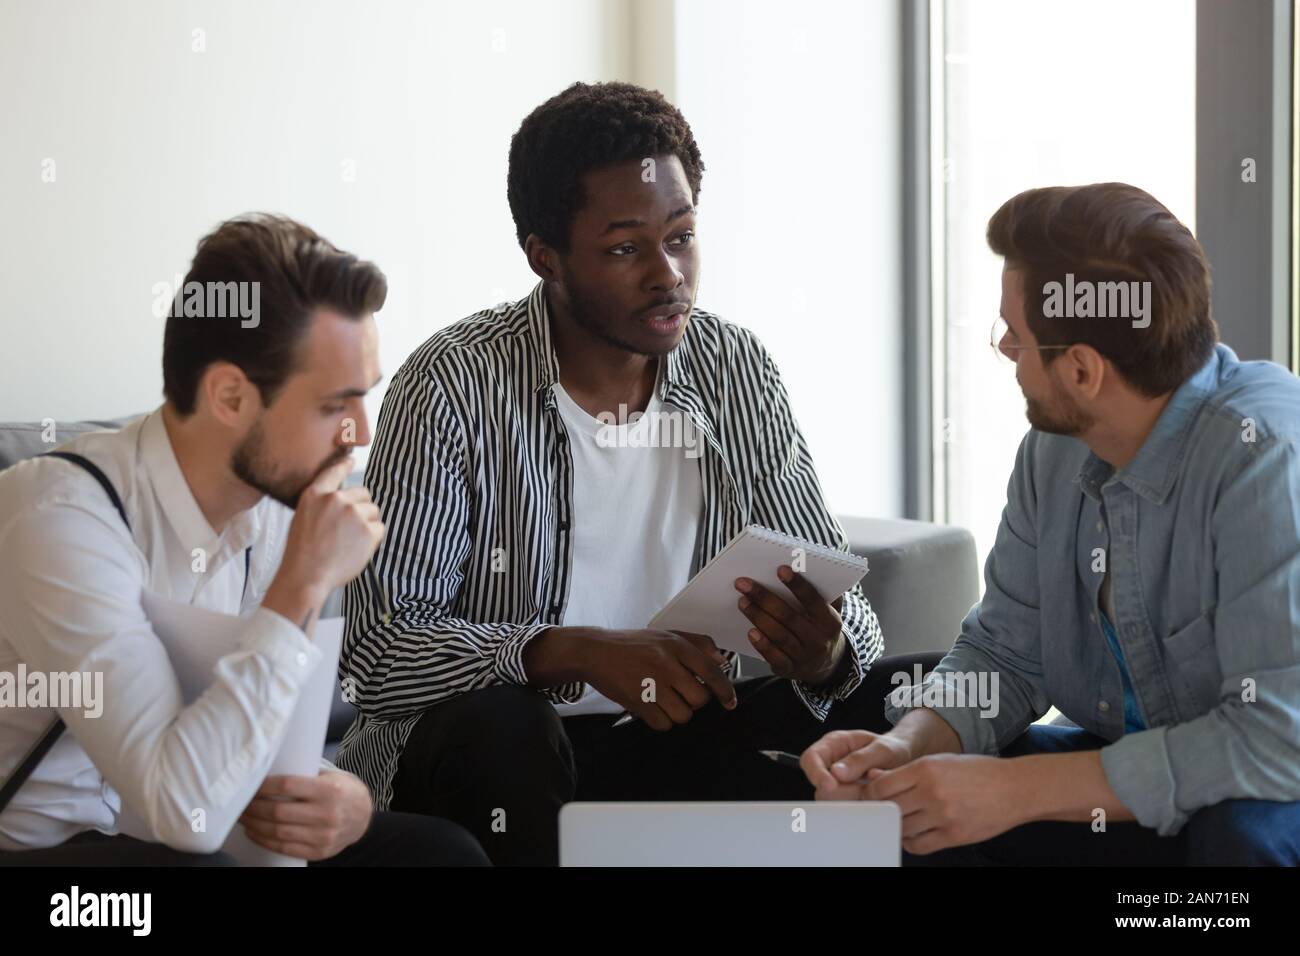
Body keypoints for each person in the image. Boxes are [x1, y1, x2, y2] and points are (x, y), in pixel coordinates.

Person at [335, 81, 891, 866]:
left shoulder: (736, 366)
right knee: (509, 728)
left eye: (683, 235)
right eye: (626, 248)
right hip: (501, 758)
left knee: (910, 692)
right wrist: (568, 651)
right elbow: (379, 655)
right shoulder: (454, 383)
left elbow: (845, 604)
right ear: (544, 255)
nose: (669, 275)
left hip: (671, 737)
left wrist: (828, 653)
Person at [802, 182, 1300, 866]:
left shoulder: (1265, 456)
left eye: (1016, 335)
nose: (1004, 346)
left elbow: (1275, 740)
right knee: (911, 799)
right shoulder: (1057, 449)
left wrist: (1016, 791)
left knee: (1239, 842)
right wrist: (907, 746)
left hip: (1268, 786)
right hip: (1130, 766)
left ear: (1083, 369)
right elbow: (1005, 651)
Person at [0, 214, 487, 866]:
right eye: (333, 406)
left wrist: (344, 798)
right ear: (230, 396)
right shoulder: (58, 517)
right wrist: (304, 584)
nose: (360, 435)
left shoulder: (277, 509)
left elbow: (253, 732)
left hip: (180, 832)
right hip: (52, 867)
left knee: (443, 855)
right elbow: (184, 809)